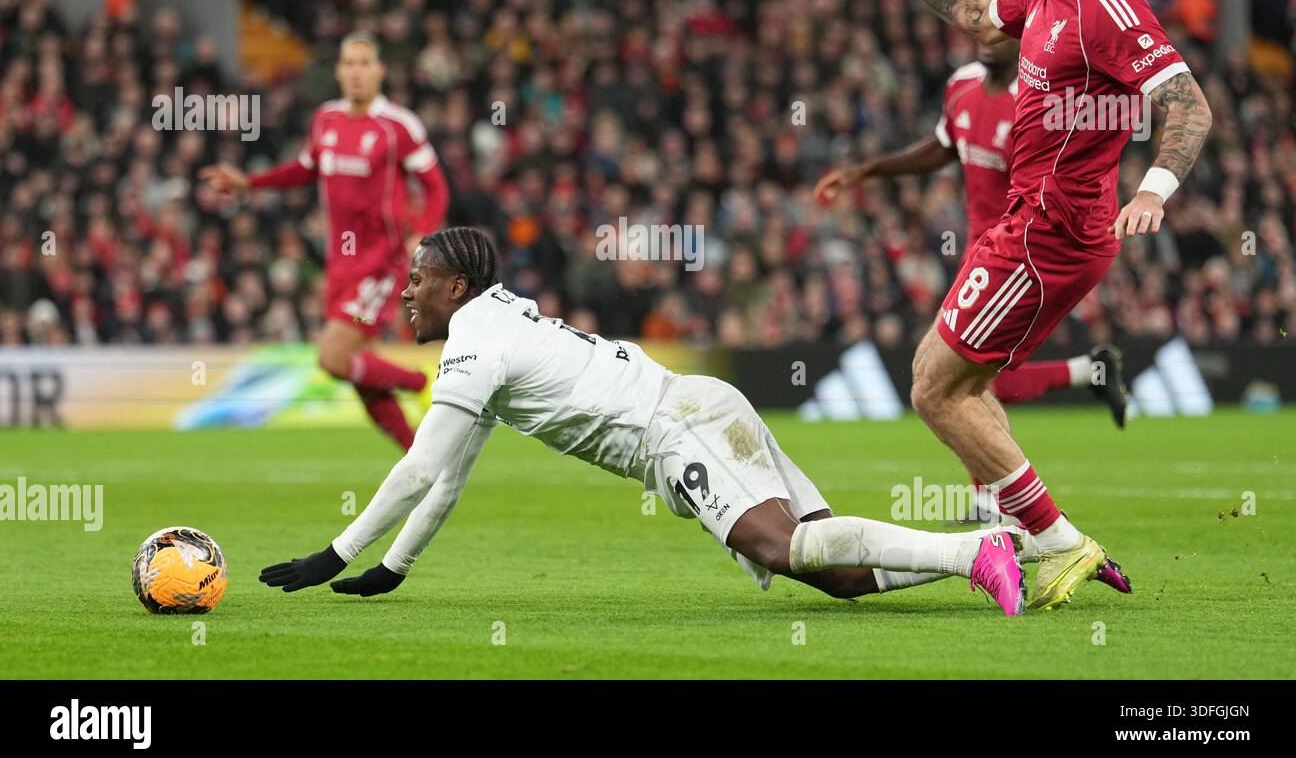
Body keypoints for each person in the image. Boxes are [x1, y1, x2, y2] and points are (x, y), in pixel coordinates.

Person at [260, 227, 1033, 616]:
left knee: (784, 547)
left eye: (418, 281)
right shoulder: (495, 322)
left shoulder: (474, 338)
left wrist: (335, 552)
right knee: (834, 575)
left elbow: (420, 467)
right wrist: (394, 567)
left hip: (675, 429)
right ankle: (999, 547)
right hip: (694, 403)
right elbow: (449, 478)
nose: (405, 295)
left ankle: (976, 555)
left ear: (456, 286)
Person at [846, 0, 1212, 609]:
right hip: (1027, 225)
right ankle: (1052, 540)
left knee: (932, 389)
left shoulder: (1106, 9)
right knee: (965, 385)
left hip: (1050, 234)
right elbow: (979, 17)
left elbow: (1188, 104)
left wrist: (1154, 190)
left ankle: (1057, 542)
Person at [816, 39, 1129, 428]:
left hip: (1017, 253)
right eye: (985, 29)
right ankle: (1090, 372)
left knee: (964, 380)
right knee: (967, 378)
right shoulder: (962, 84)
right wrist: (868, 171)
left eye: (1002, 33)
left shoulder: (1033, 106)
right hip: (977, 248)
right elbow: (944, 147)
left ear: (1024, 44)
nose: (988, 38)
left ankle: (999, 485)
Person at [200, 34, 450, 452]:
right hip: (340, 265)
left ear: (379, 71)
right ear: (338, 71)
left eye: (364, 63)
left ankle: (422, 383)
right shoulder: (326, 120)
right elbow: (304, 168)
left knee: (333, 357)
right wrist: (250, 184)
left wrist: (420, 234)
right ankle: (416, 455)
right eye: (348, 63)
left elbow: (436, 188)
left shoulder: (398, 127)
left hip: (380, 263)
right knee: (353, 368)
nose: (355, 72)